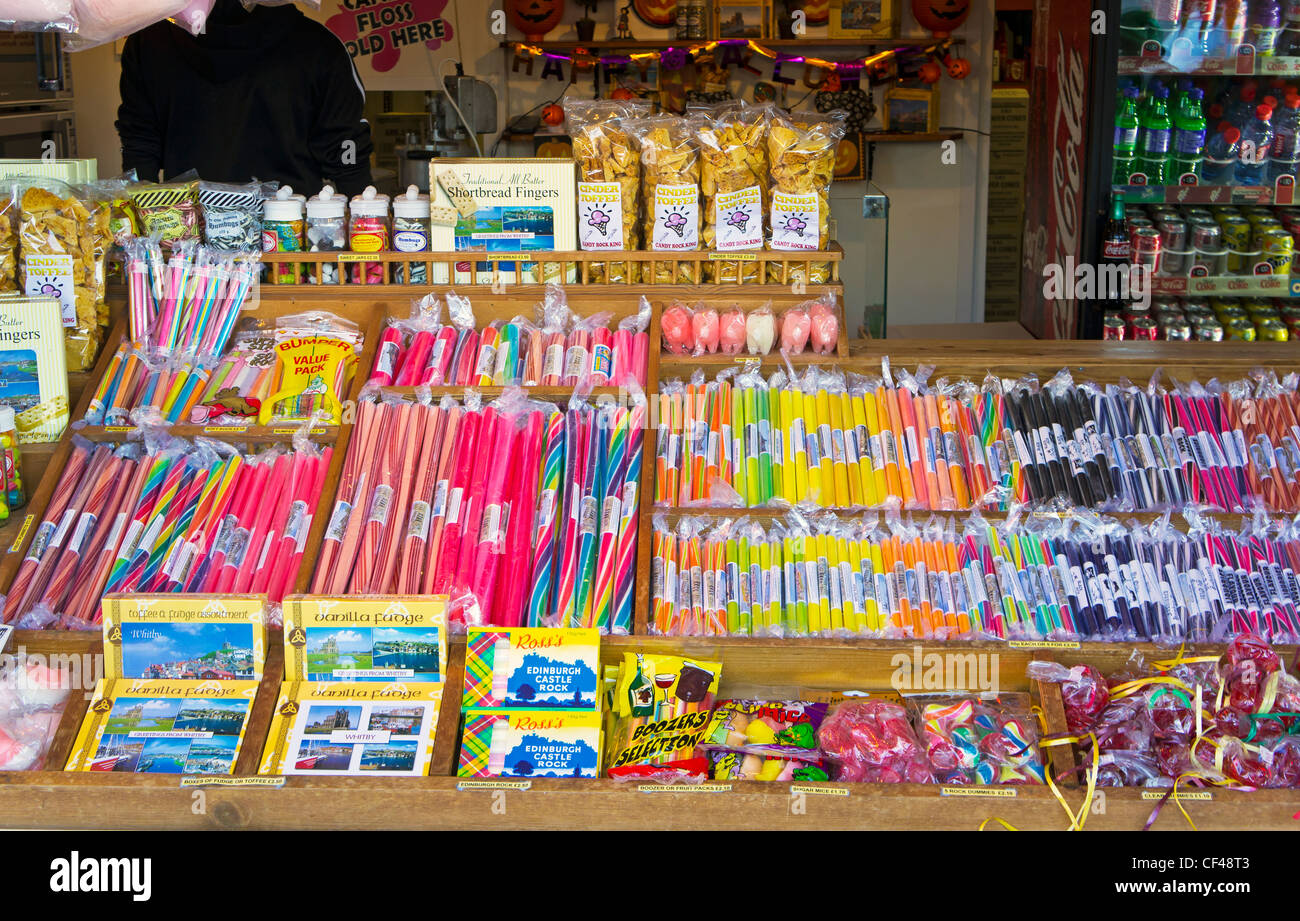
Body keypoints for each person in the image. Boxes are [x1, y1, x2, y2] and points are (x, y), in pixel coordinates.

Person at [116, 0, 374, 196]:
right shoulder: (321, 47)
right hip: (287, 240)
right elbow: (346, 149)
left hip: (189, 247)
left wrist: (137, 230)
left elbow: (140, 145)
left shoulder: (148, 44)